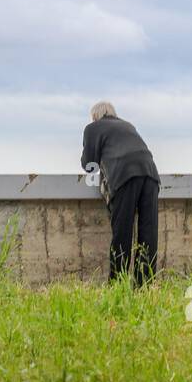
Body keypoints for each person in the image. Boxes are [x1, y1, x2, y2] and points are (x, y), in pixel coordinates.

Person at [80, 101, 159, 285]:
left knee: (122, 233)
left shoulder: (93, 128)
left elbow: (89, 165)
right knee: (148, 234)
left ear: (95, 116)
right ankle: (144, 286)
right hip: (150, 173)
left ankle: (117, 284)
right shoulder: (128, 125)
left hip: (125, 176)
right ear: (114, 114)